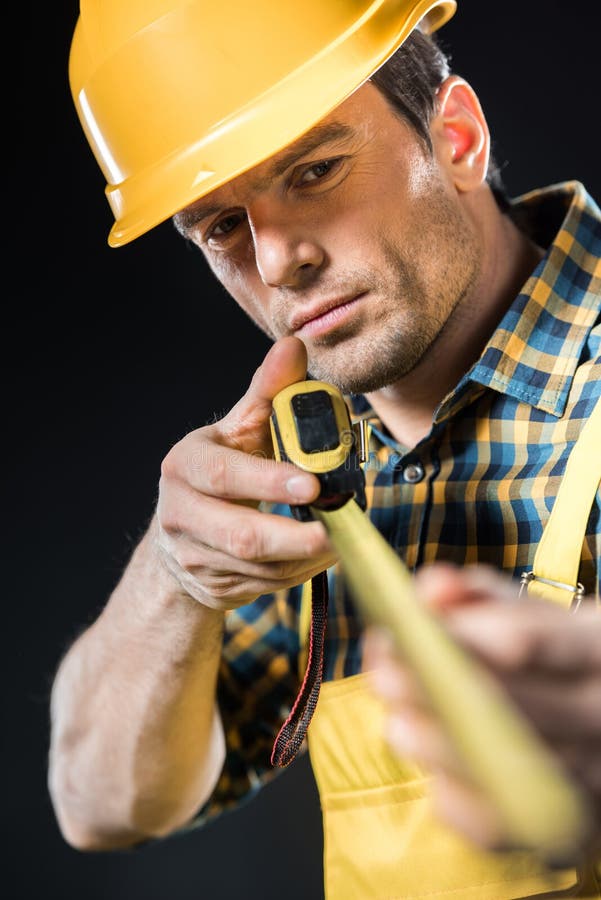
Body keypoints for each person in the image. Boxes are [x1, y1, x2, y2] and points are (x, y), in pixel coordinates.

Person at [49, 1, 600, 897]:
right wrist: (174, 577)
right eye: (222, 226)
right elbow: (98, 804)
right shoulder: (293, 474)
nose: (275, 262)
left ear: (455, 137)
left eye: (313, 170)